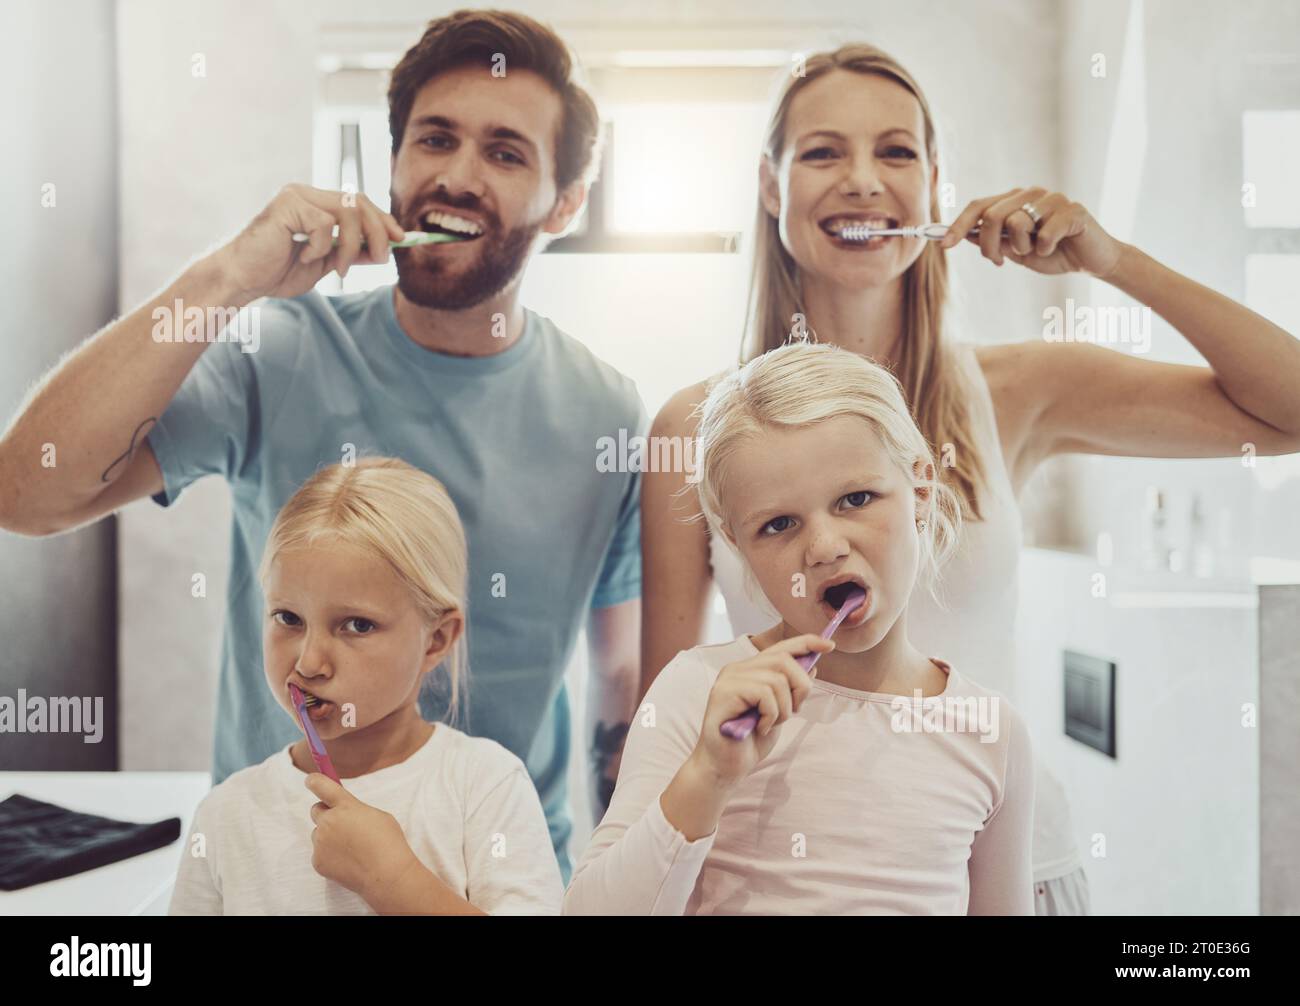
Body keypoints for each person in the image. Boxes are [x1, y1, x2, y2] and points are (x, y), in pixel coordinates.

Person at [640, 43, 1300, 915]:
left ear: (935, 187)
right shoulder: (695, 426)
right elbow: (662, 722)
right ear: (772, 186)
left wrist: (1109, 260)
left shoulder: (1014, 391)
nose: (864, 180)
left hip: (1012, 866)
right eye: (824, 152)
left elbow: (1286, 410)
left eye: (897, 152)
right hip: (784, 882)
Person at [0, 10, 645, 883]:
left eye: (505, 152)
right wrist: (227, 276)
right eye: (435, 139)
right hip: (269, 871)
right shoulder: (281, 349)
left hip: (492, 882)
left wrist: (624, 876)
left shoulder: (604, 411)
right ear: (392, 163)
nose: (456, 175)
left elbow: (620, 675)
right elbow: (25, 493)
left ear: (565, 202)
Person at [565, 342, 1034, 914]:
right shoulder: (699, 693)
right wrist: (707, 776)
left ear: (921, 490)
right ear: (736, 545)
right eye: (778, 524)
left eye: (855, 499)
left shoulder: (992, 735)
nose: (824, 548)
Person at [170, 458, 562, 915]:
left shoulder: (486, 787)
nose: (309, 661)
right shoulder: (225, 815)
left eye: (356, 625)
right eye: (288, 618)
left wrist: (393, 881)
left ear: (436, 639)